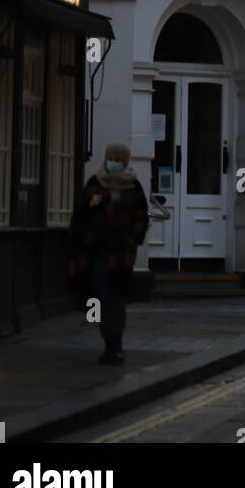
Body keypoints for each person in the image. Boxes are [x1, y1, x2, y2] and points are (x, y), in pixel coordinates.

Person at [69, 143, 149, 364]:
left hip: (121, 254)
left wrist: (131, 239)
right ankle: (108, 343)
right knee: (101, 296)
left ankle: (116, 345)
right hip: (97, 251)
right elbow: (81, 215)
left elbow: (141, 219)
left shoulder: (133, 187)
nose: (114, 161)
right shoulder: (95, 183)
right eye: (111, 157)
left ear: (126, 161)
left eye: (119, 158)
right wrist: (88, 235)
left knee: (116, 297)